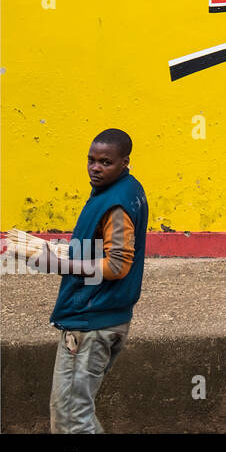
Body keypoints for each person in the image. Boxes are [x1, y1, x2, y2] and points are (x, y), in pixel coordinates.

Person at [37, 129, 149, 432]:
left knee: (70, 420)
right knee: (78, 415)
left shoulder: (115, 203)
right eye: (91, 160)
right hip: (102, 317)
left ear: (124, 162)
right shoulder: (123, 189)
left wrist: (58, 263)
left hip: (92, 324)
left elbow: (117, 265)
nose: (95, 168)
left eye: (105, 162)